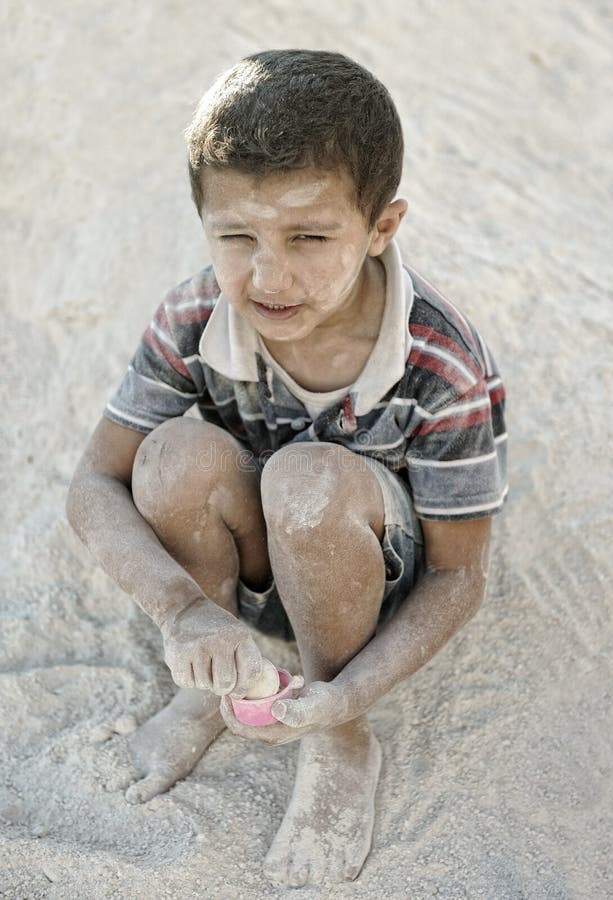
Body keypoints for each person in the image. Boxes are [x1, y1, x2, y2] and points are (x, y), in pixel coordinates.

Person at [66, 49, 507, 887]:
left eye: (310, 237)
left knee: (305, 480)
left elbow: (459, 575)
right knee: (170, 457)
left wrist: (346, 697)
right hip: (262, 532)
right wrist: (180, 612)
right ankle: (214, 681)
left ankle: (339, 735)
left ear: (381, 227)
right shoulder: (198, 312)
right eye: (238, 236)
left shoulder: (437, 361)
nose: (269, 276)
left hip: (365, 559)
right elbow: (95, 485)